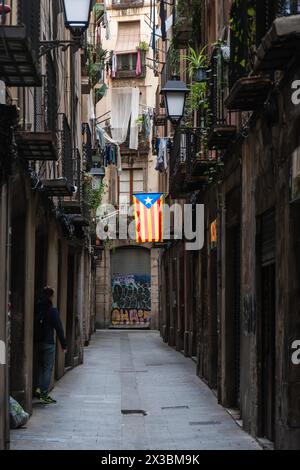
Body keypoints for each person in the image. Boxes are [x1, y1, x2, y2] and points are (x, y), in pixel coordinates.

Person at [34, 286, 67, 404]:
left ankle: (38, 387)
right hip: (48, 342)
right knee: (48, 368)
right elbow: (59, 328)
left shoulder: (37, 308)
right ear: (51, 296)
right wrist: (64, 344)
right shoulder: (52, 311)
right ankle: (43, 392)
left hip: (37, 342)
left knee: (40, 366)